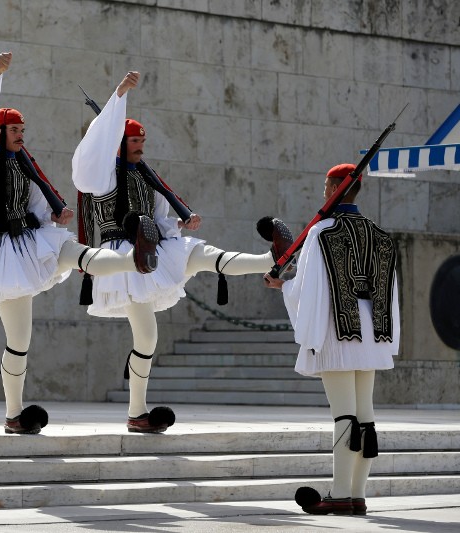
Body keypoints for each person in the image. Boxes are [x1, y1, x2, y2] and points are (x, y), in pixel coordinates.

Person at [0, 53, 158, 435]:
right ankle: (14, 414)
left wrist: (53, 216)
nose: (21, 138)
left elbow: (36, 204)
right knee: (19, 340)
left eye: (21, 132)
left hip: (32, 239)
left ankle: (136, 260)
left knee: (77, 253)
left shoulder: (21, 166)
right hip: (2, 253)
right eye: (15, 132)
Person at [72, 71, 293, 433]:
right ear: (118, 143)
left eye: (144, 141)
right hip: (123, 259)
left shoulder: (145, 174)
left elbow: (160, 215)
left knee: (204, 255)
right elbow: (91, 152)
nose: (142, 146)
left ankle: (271, 260)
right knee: (147, 338)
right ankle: (137, 411)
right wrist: (118, 97)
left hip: (154, 246)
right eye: (135, 142)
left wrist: (179, 225)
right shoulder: (101, 175)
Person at [263, 163, 400, 516]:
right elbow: (391, 292)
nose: (324, 190)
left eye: (327, 185)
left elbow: (310, 290)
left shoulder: (322, 232)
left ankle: (340, 495)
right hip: (375, 332)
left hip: (339, 331)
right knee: (365, 415)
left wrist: (284, 284)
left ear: (336, 188)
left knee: (344, 415)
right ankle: (357, 495)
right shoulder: (380, 234)